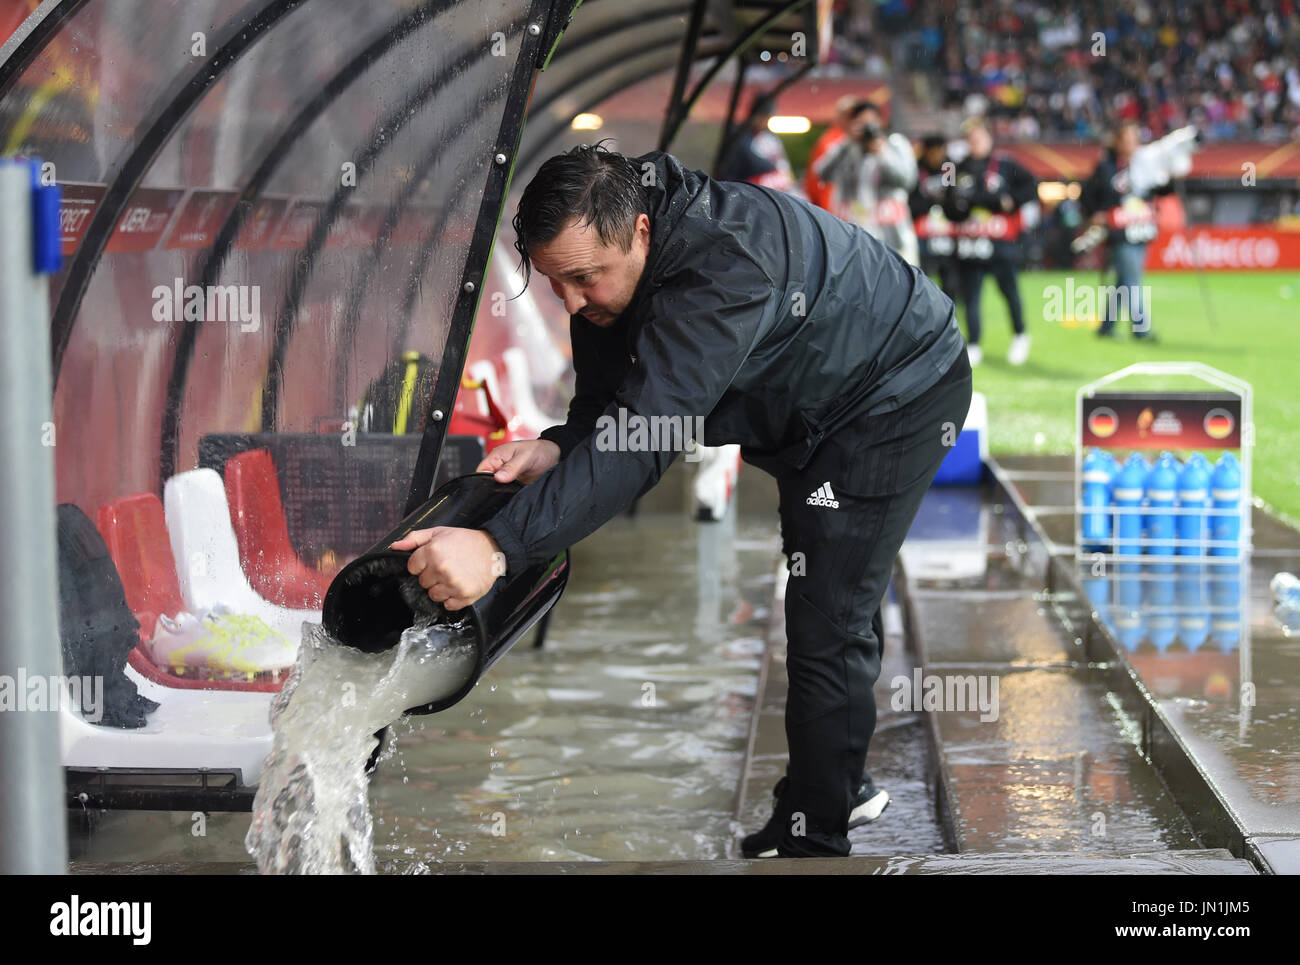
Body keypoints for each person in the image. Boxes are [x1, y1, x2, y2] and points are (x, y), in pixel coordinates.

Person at [390, 143, 972, 858]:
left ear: (640, 230)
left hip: (895, 396)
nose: (570, 302)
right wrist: (562, 442)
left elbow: (641, 441)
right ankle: (837, 783)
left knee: (826, 613)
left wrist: (499, 547)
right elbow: (612, 401)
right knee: (823, 584)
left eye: (582, 279)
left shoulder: (723, 271)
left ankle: (816, 838)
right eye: (553, 284)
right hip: (815, 399)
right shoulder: (614, 256)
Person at [943, 116, 1038, 366]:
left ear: (989, 137)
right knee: (970, 295)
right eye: (970, 138)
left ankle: (1020, 335)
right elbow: (947, 203)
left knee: (1009, 291)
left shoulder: (1005, 164)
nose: (974, 142)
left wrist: (1008, 200)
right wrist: (963, 205)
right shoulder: (956, 166)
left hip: (1000, 241)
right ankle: (973, 343)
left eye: (978, 137)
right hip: (970, 242)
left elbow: (1031, 186)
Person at [1078, 120, 1179, 340]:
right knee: (1132, 279)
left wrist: (1171, 177)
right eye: (1127, 140)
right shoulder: (1106, 167)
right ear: (1118, 142)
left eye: (1135, 140)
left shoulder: (1145, 164)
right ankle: (1141, 328)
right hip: (1119, 231)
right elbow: (1087, 194)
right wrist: (1096, 213)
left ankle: (1106, 327)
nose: (1132, 144)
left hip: (1141, 229)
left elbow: (1161, 190)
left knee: (1124, 281)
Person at [812, 102, 920, 265]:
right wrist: (847, 142)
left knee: (898, 284)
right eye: (861, 123)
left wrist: (882, 153)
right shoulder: (846, 147)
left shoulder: (894, 144)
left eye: (871, 122)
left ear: (880, 121)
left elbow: (907, 180)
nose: (868, 128)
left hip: (892, 232)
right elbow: (821, 173)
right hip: (852, 235)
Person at [910, 134, 959, 302]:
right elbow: (912, 202)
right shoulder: (915, 169)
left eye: (941, 152)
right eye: (934, 152)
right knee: (923, 276)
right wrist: (931, 201)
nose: (938, 156)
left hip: (946, 232)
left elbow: (951, 198)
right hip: (922, 232)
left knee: (951, 281)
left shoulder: (948, 168)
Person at [804, 95, 872, 212]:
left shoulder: (863, 140)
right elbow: (818, 178)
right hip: (835, 207)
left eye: (853, 115)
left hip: (861, 207)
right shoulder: (832, 141)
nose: (851, 119)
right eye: (847, 115)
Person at [716, 92, 796, 192]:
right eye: (765, 117)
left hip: (771, 195)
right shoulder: (738, 138)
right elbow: (728, 174)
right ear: (756, 115)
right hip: (743, 194)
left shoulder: (770, 138)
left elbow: (784, 171)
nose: (766, 122)